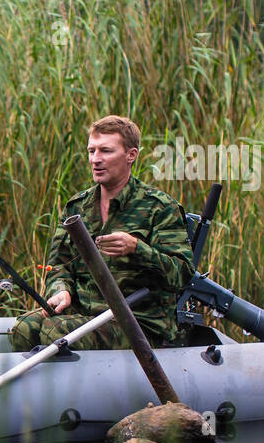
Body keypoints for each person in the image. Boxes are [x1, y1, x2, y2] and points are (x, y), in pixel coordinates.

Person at [10, 116, 194, 352]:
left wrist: (137, 249)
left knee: (55, 331)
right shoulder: (77, 206)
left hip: (137, 322)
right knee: (24, 328)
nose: (96, 159)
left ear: (131, 155)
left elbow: (183, 273)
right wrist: (61, 290)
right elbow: (59, 265)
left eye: (106, 151)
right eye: (91, 151)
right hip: (85, 313)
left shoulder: (159, 207)